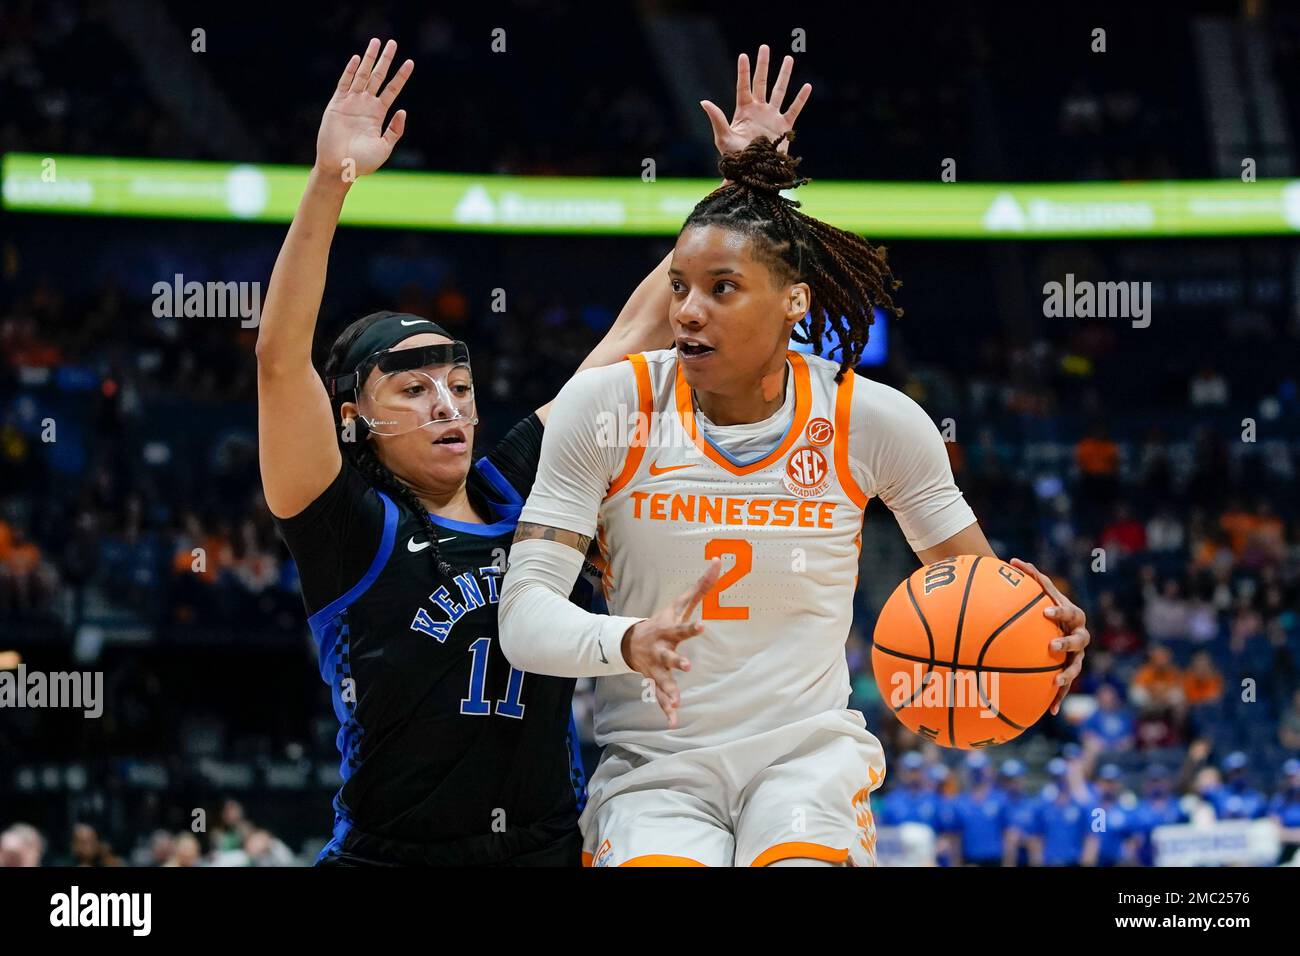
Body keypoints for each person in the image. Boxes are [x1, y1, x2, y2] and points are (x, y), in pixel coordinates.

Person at [257, 39, 810, 866]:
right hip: (390, 856)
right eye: (412, 391)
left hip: (548, 850)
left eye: (459, 385)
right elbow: (278, 357)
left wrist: (746, 186)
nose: (448, 404)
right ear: (353, 420)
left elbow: (637, 328)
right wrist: (330, 179)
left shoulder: (519, 483)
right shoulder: (345, 527)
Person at [497, 116, 1089, 866]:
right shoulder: (605, 408)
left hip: (807, 761)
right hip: (654, 771)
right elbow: (522, 620)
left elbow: (979, 592)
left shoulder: (872, 420)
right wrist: (628, 640)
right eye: (680, 286)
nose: (686, 310)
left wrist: (1046, 631)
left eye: (722, 289)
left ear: (795, 302)